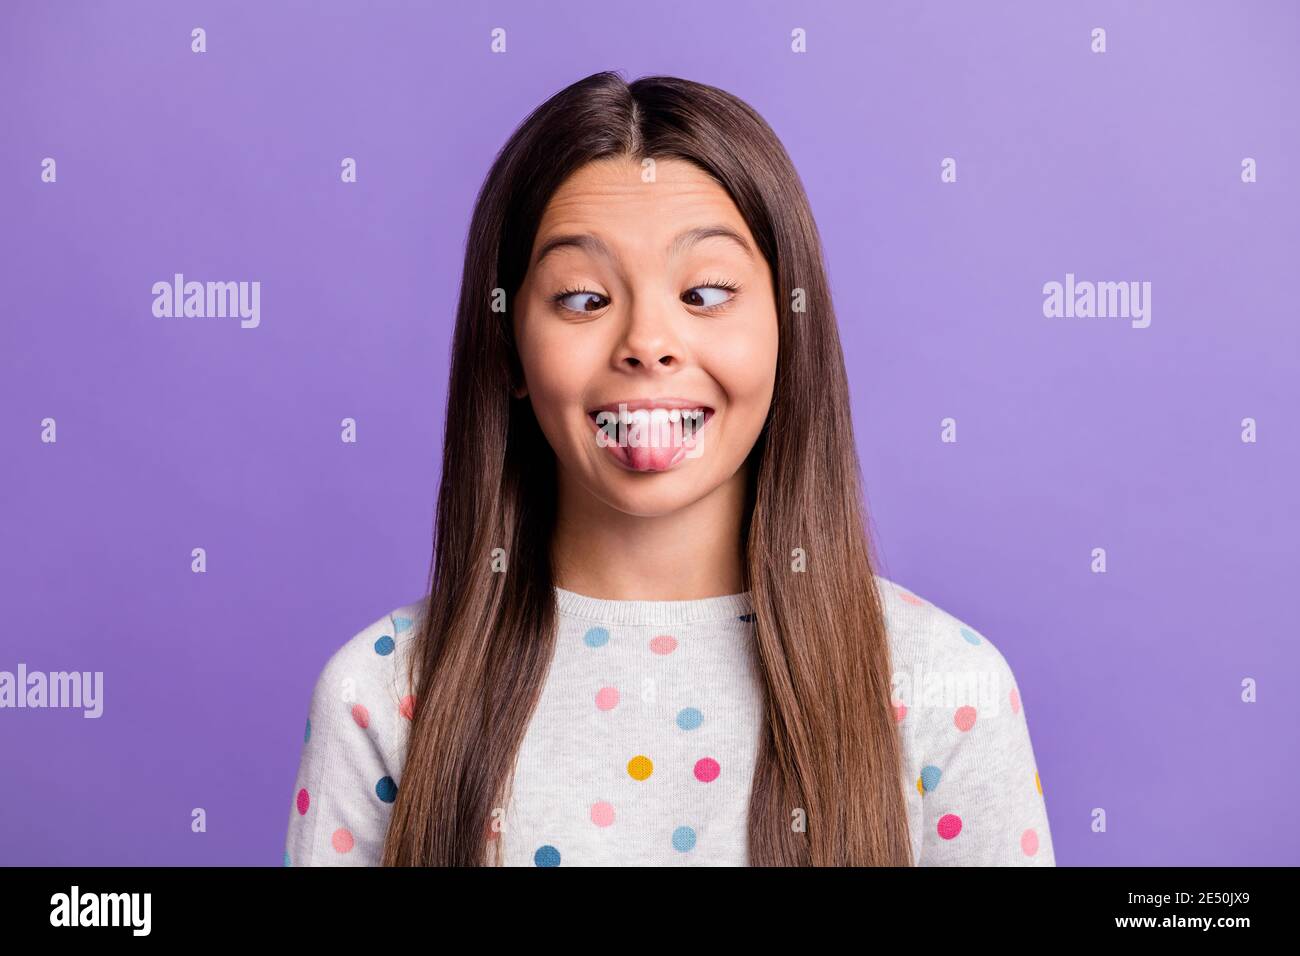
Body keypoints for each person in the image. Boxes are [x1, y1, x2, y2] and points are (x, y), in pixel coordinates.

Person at [283, 70, 1055, 867]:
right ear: (511, 346)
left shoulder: (945, 688)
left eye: (707, 292)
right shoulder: (380, 698)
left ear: (791, 328)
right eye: (583, 299)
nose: (648, 342)